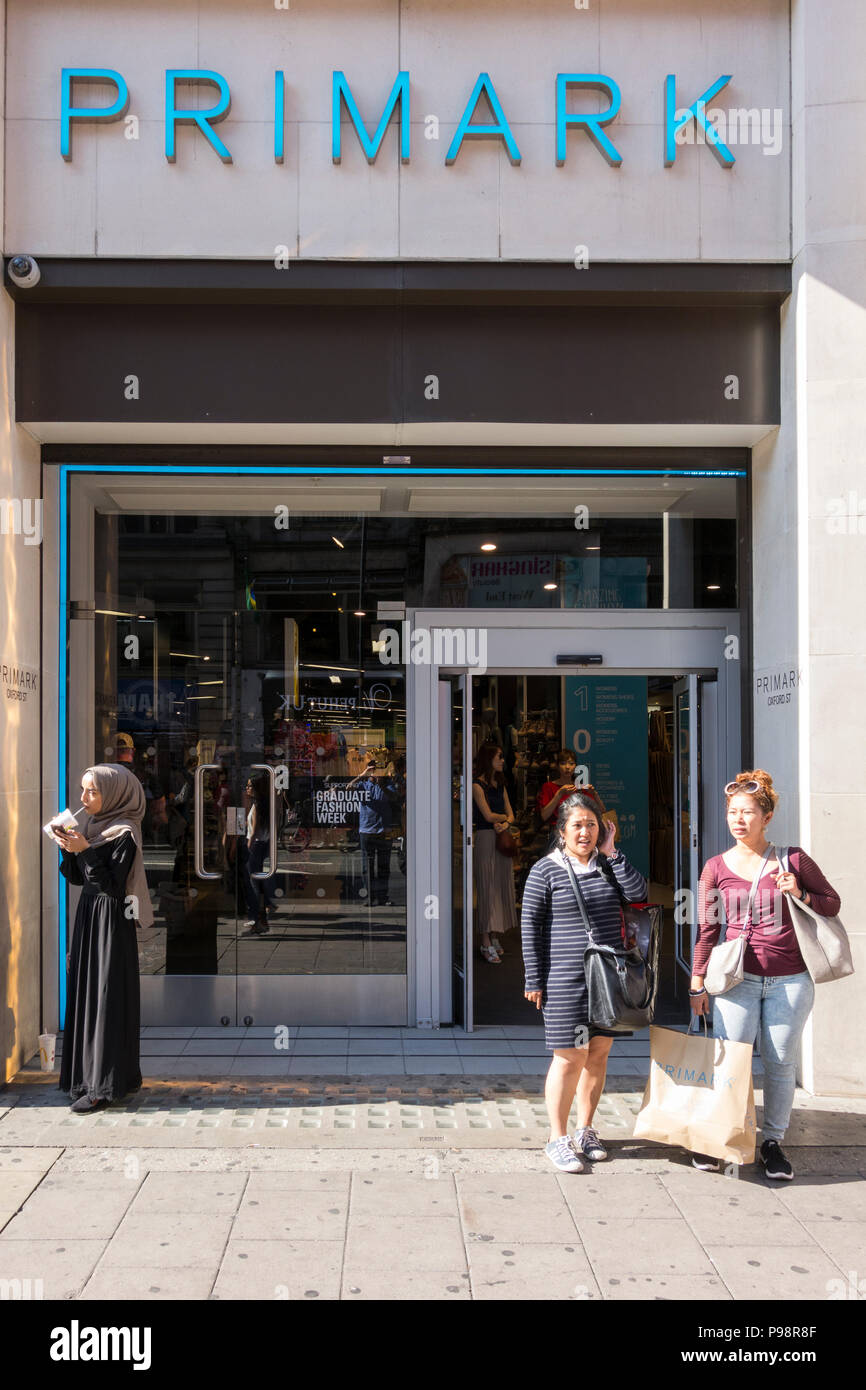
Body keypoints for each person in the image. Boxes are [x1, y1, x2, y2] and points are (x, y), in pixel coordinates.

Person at [689, 769, 841, 1181]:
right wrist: (696, 981)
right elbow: (706, 928)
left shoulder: (792, 858)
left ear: (767, 816)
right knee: (731, 1064)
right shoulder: (714, 867)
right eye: (733, 812)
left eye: (748, 812)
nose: (739, 820)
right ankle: (726, 1137)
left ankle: (772, 1142)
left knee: (778, 1064)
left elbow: (831, 903)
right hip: (736, 982)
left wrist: (800, 891)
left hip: (790, 981)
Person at [522, 789, 648, 1173]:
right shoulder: (545, 870)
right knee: (569, 1056)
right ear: (562, 831)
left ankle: (586, 1129)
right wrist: (533, 977)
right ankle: (557, 1138)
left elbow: (639, 894)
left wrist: (613, 853)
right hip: (565, 979)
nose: (584, 832)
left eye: (591, 825)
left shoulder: (609, 864)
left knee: (598, 1053)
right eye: (577, 825)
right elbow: (530, 927)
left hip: (607, 979)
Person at [52, 764, 151, 1113]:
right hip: (89, 915)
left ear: (113, 794)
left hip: (111, 920)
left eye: (92, 791)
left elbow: (112, 886)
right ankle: (85, 1079)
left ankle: (103, 1086)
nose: (83, 798)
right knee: (86, 992)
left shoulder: (124, 831)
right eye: (83, 790)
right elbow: (80, 879)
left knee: (106, 994)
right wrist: (68, 847)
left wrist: (84, 849)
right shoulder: (95, 827)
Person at [472, 744, 518, 963]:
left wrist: (504, 821)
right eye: (499, 757)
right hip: (485, 839)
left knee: (500, 886)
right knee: (487, 888)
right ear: (488, 758)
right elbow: (488, 815)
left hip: (500, 838)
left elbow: (511, 814)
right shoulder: (476, 785)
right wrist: (503, 820)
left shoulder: (500, 784)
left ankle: (494, 934)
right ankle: (485, 940)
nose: (502, 761)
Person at [345, 757, 394, 907]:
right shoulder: (363, 784)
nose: (375, 773)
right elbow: (348, 787)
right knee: (368, 866)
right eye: (373, 771)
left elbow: (393, 798)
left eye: (377, 770)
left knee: (383, 866)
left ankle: (382, 897)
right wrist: (363, 774)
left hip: (383, 830)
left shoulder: (387, 785)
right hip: (366, 830)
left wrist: (382, 784)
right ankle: (370, 897)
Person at [241, 773, 278, 933]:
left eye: (250, 786)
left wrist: (247, 848)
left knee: (253, 883)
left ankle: (259, 919)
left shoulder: (257, 806)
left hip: (255, 845)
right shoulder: (266, 804)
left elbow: (255, 830)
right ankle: (265, 909)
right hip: (262, 845)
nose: (247, 788)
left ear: (256, 789)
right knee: (257, 881)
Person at [536, 750, 580, 846]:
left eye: (571, 763)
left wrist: (595, 795)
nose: (567, 767)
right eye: (563, 763)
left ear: (575, 766)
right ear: (557, 766)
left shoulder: (580, 788)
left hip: (577, 832)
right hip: (557, 833)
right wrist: (559, 794)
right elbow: (544, 815)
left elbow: (600, 810)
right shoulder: (548, 787)